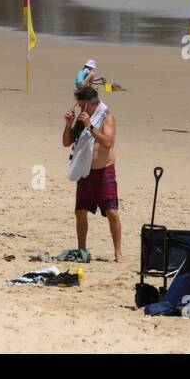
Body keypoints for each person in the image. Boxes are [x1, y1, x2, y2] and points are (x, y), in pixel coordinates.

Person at [61, 86, 123, 261]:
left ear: (90, 104)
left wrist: (91, 126)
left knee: (111, 212)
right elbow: (66, 142)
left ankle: (118, 252)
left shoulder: (106, 117)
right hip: (85, 171)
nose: (81, 109)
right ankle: (82, 249)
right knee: (80, 211)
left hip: (104, 171)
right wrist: (68, 124)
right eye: (79, 106)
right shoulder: (82, 118)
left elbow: (108, 143)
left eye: (83, 106)